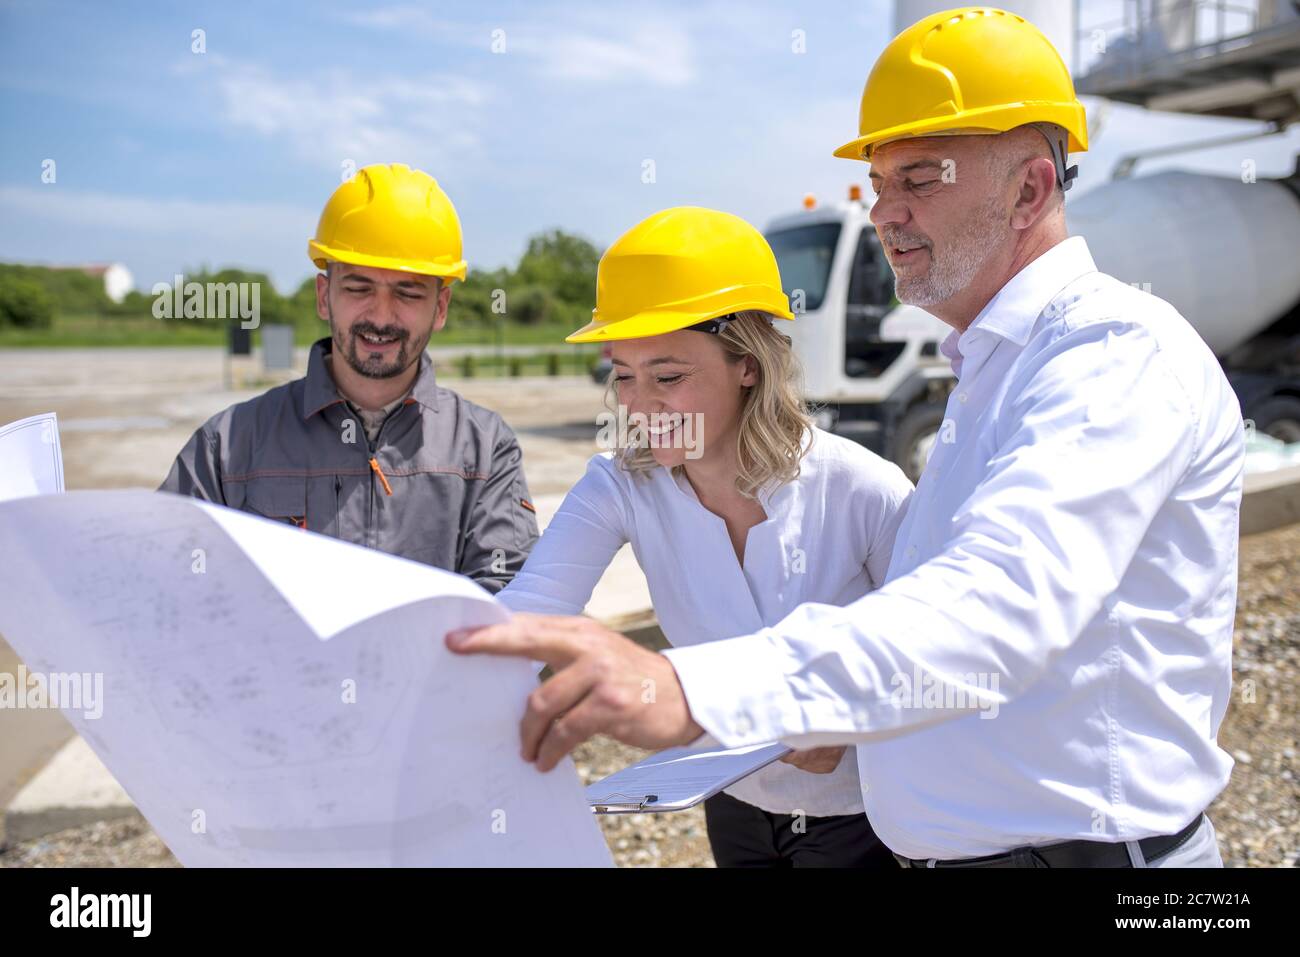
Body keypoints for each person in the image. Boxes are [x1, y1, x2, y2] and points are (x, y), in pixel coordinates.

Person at [448, 8, 1243, 867]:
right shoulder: (993, 375)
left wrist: (697, 687)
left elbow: (999, 608)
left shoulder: (1109, 353)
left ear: (1030, 188)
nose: (884, 213)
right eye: (877, 183)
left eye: (921, 177)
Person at [497, 206, 913, 867]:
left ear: (747, 363)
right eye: (623, 376)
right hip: (732, 798)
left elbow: (944, 652)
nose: (639, 405)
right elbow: (527, 613)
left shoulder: (860, 486)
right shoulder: (619, 486)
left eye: (667, 376)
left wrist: (853, 717)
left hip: (865, 813)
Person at [160, 163, 538, 592]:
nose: (380, 315)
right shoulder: (227, 446)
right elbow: (163, 583)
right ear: (325, 296)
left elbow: (513, 603)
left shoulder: (485, 450)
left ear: (441, 307)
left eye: (408, 293)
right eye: (358, 288)